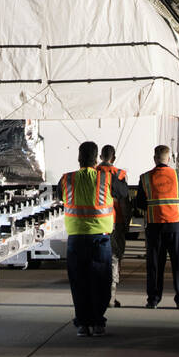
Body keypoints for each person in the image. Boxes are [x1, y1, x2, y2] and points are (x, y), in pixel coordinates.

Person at [59, 141, 127, 336]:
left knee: (79, 282)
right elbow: (122, 193)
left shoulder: (67, 179)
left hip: (76, 240)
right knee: (101, 282)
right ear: (96, 159)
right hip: (100, 239)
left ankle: (83, 324)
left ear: (79, 158)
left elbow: (60, 196)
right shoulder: (106, 178)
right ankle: (98, 322)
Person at [131, 145, 179, 310]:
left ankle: (153, 300)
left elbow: (140, 203)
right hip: (176, 225)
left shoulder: (145, 178)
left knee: (155, 265)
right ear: (169, 158)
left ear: (154, 159)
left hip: (155, 226)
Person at [97, 145, 129, 308]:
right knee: (114, 258)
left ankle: (97, 296)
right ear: (113, 158)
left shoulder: (93, 173)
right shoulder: (119, 175)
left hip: (96, 222)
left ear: (100, 157)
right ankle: (110, 297)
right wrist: (126, 222)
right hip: (115, 221)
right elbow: (124, 202)